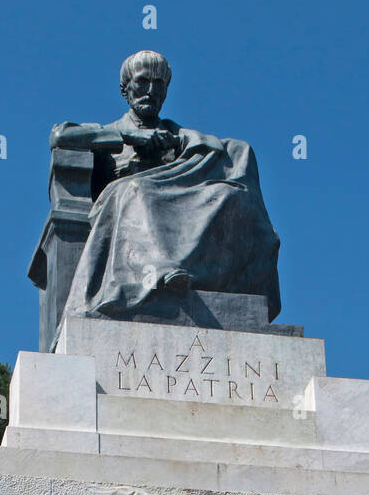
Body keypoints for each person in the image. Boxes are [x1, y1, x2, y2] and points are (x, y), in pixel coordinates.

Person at [52, 52, 281, 322]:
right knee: (137, 189)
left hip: (180, 202)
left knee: (230, 191)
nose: (150, 90)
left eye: (158, 83)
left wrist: (179, 147)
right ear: (125, 89)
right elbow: (60, 135)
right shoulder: (111, 130)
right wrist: (128, 136)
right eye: (142, 81)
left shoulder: (177, 135)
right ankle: (159, 270)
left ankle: (210, 280)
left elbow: (216, 155)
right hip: (126, 200)